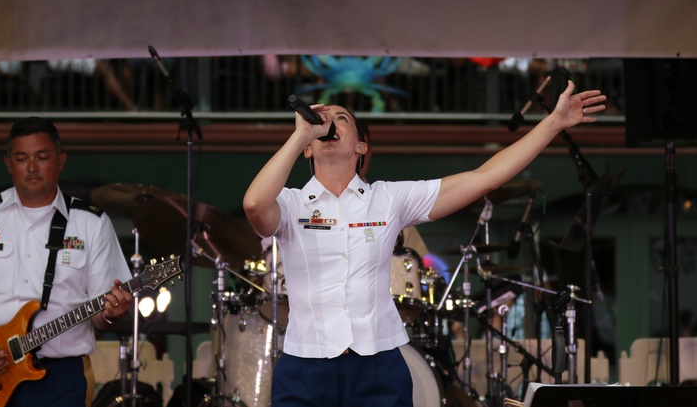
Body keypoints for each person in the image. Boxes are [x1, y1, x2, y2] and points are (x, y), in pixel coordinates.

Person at [242, 81, 606, 407]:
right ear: (308, 150)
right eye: (324, 119)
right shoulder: (289, 203)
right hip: (305, 363)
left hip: (379, 362)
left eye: (343, 118)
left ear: (361, 147)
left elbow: (485, 177)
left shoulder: (388, 199)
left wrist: (553, 123)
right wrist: (299, 136)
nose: (330, 123)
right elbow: (255, 205)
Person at [0, 117, 134, 407]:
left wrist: (114, 312)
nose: (32, 167)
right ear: (8, 163)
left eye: (42, 157)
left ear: (61, 161)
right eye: (22, 158)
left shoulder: (91, 224)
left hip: (61, 377)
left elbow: (103, 316)